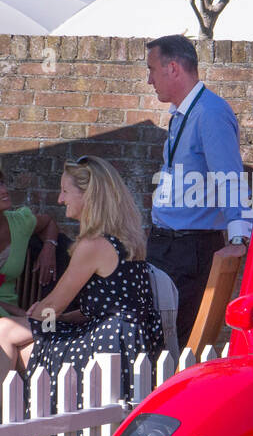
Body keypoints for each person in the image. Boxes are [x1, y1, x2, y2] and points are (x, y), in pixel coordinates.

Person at [0, 157, 163, 394]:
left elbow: (51, 308)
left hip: (105, 350)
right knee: (6, 329)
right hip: (130, 346)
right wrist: (58, 317)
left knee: (5, 337)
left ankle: (8, 423)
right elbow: (106, 307)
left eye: (65, 191)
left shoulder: (93, 245)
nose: (60, 199)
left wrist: (38, 312)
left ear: (89, 195)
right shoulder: (126, 239)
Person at [145, 34, 250, 342]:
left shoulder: (210, 113)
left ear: (173, 68)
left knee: (171, 343)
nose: (149, 79)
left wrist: (239, 236)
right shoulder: (183, 113)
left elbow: (230, 177)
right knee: (160, 340)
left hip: (187, 250)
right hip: (170, 246)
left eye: (152, 69)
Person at [0, 168, 62, 317]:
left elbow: (49, 222)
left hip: (12, 320)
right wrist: (22, 315)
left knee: (46, 330)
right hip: (14, 319)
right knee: (42, 329)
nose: (4, 190)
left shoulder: (19, 222)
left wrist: (49, 247)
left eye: (1, 183)